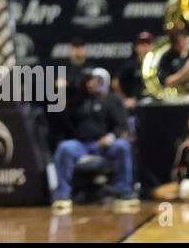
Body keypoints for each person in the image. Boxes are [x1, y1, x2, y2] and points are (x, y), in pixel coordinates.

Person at [49, 70, 139, 214]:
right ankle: (63, 195)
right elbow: (66, 123)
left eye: (94, 79)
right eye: (88, 80)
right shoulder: (78, 100)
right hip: (81, 145)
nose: (91, 83)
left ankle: (124, 192)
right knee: (64, 147)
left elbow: (121, 126)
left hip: (104, 145)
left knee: (122, 146)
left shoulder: (111, 99)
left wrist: (110, 138)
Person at [153, 108, 189, 202]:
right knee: (158, 193)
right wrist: (180, 180)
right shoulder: (182, 144)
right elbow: (176, 168)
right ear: (188, 122)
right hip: (187, 182)